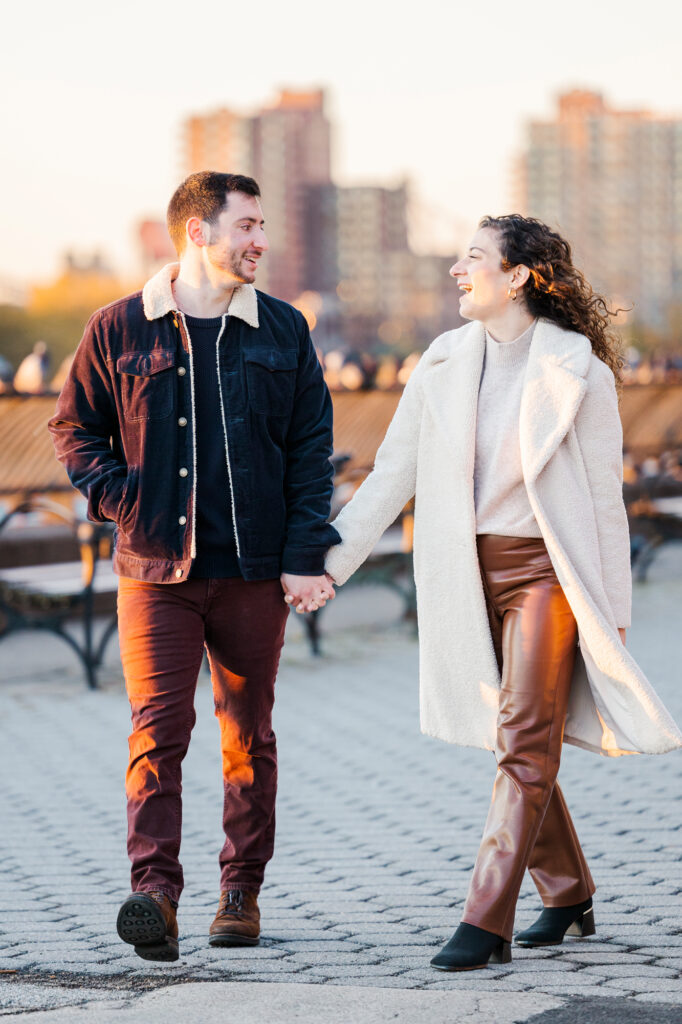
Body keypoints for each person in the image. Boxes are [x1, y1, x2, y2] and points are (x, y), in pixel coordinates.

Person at [325, 214, 682, 972]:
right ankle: (567, 890)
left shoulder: (576, 368)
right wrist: (331, 566)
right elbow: (392, 475)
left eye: (475, 258)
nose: (459, 269)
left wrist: (612, 612)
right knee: (514, 736)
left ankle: (484, 918)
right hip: (462, 574)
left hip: (546, 576)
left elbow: (602, 500)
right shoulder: (444, 361)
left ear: (518, 274)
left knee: (522, 741)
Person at [49, 171, 340, 961]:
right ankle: (155, 893)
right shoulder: (118, 328)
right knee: (158, 734)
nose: (262, 241)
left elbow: (313, 448)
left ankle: (239, 890)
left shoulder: (282, 329)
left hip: (252, 573)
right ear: (198, 233)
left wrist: (302, 553)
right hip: (155, 573)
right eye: (248, 225)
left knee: (247, 735)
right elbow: (75, 430)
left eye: (263, 225)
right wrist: (124, 499)